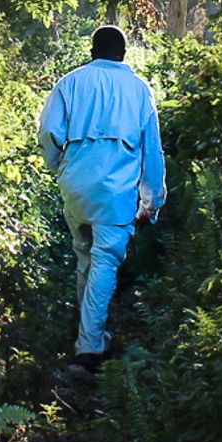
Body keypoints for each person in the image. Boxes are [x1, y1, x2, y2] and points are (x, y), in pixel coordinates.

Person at [37, 24, 166, 370]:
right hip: (115, 195)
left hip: (76, 188)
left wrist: (59, 167)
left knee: (86, 258)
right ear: (123, 55)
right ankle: (90, 346)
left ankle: (87, 331)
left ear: (92, 52)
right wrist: (151, 203)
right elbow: (151, 152)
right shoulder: (139, 90)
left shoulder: (70, 83)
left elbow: (49, 131)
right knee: (105, 261)